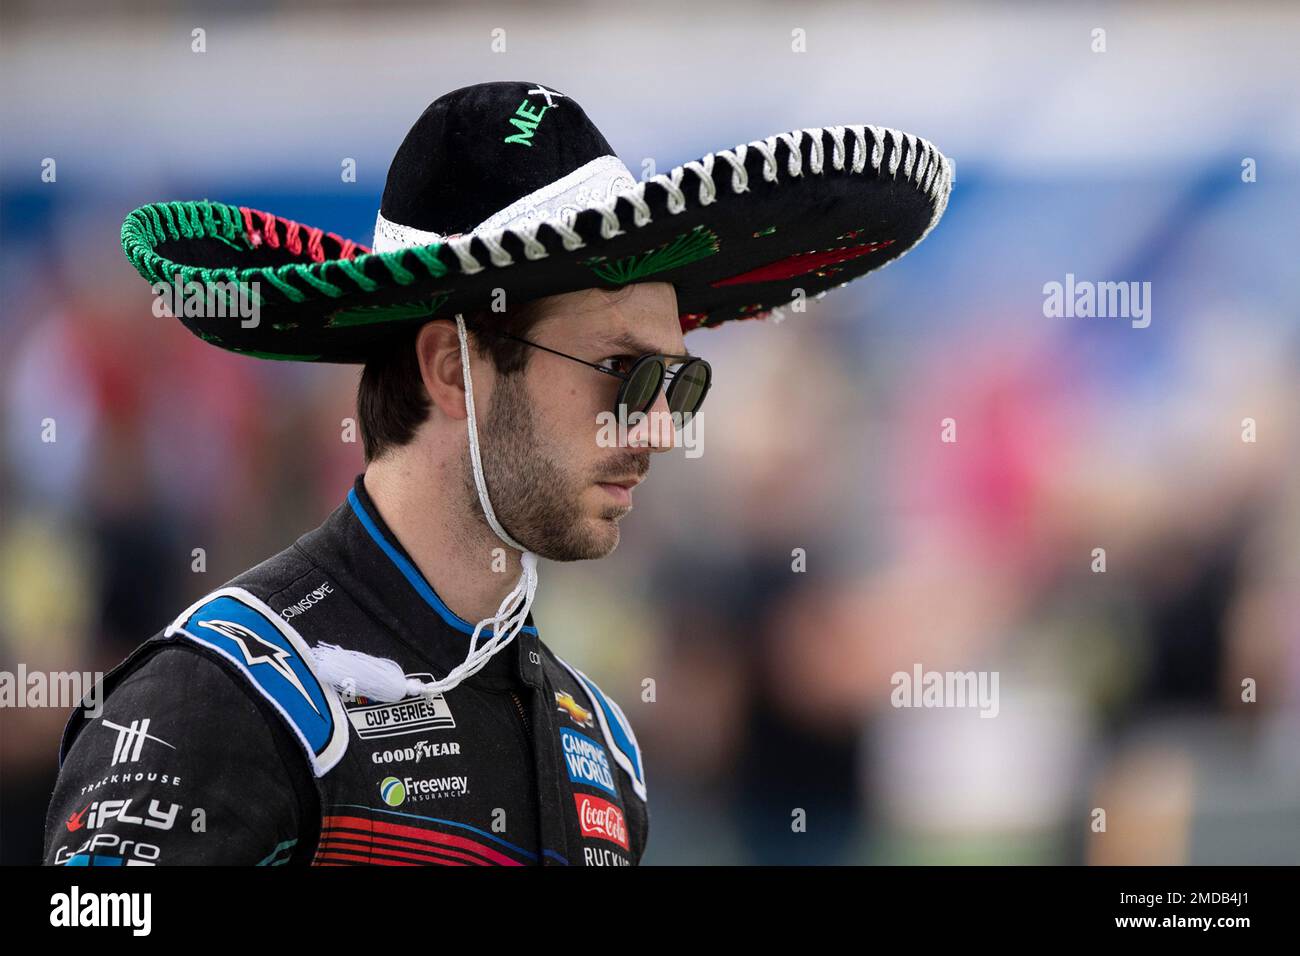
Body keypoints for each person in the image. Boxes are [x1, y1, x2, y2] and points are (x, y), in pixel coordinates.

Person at [44, 80, 952, 866]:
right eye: (625, 373)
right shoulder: (223, 697)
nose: (664, 428)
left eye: (682, 380)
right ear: (451, 368)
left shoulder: (595, 740)